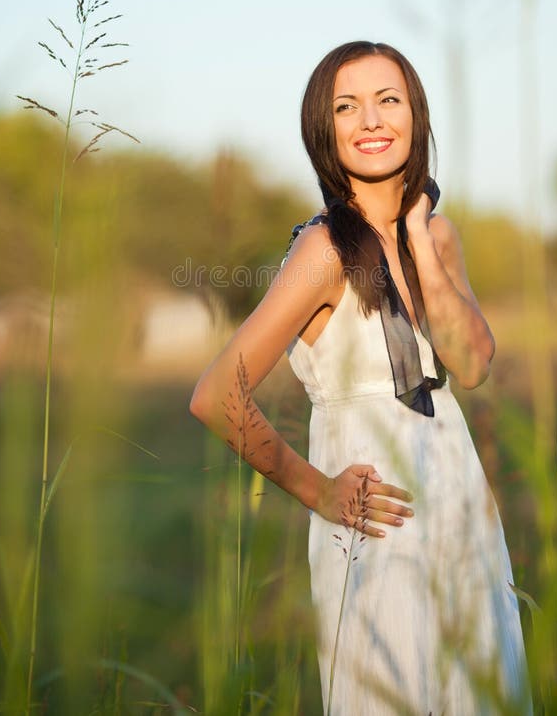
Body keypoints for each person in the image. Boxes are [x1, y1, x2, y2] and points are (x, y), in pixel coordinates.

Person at [190, 41, 533, 715]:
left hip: (460, 497)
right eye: (347, 106)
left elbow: (470, 364)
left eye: (388, 100)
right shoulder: (320, 250)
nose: (370, 120)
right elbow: (215, 395)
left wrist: (415, 228)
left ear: (417, 115)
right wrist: (315, 490)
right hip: (377, 518)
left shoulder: (439, 237)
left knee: (480, 689)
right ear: (325, 130)